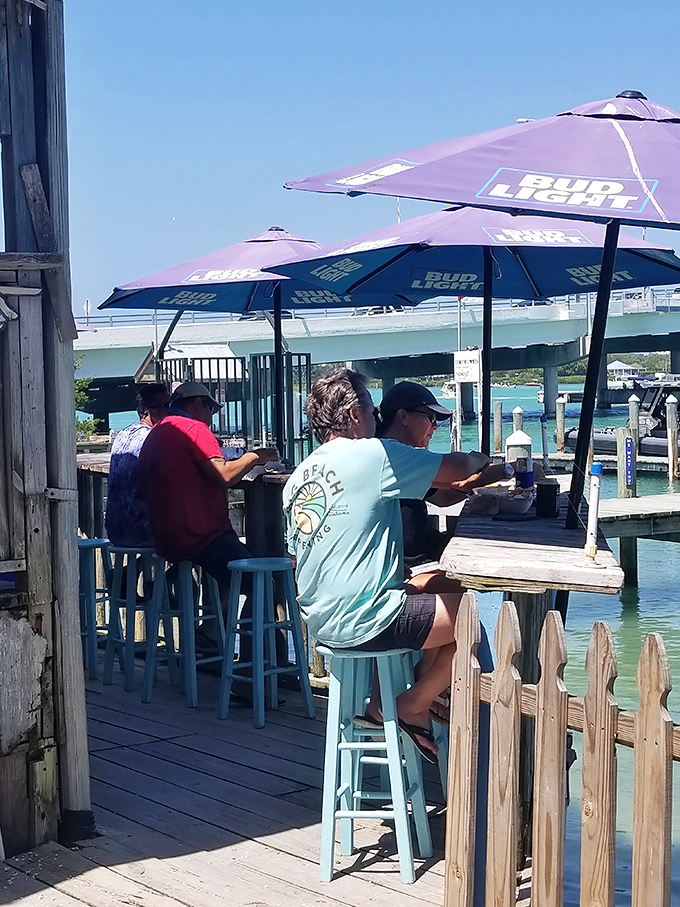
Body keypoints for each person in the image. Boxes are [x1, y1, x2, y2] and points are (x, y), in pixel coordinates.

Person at [283, 368, 504, 763]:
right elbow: (458, 468)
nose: (376, 422)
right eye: (371, 413)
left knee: (448, 592)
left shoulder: (299, 475)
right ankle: (409, 703)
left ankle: (417, 699)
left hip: (320, 621)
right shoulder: (373, 453)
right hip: (366, 619)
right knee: (470, 615)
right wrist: (483, 458)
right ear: (354, 416)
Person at [138, 382, 279, 601]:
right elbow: (224, 475)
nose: (211, 417)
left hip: (166, 539)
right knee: (264, 587)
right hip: (203, 537)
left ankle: (209, 629)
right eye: (210, 409)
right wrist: (256, 456)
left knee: (226, 580)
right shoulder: (193, 428)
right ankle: (236, 635)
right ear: (197, 403)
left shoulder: (156, 434)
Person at [105, 382, 170, 547]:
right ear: (149, 412)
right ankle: (174, 574)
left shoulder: (122, 435)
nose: (171, 411)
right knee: (199, 541)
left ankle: (130, 572)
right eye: (165, 406)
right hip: (142, 531)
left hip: (115, 531)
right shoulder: (155, 438)